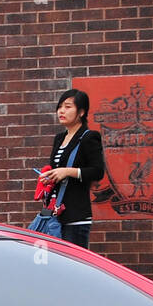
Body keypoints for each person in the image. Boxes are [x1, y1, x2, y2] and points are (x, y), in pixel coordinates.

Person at [38, 88, 105, 249]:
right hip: (55, 213)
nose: (62, 111)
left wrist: (67, 171)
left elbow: (98, 171)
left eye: (68, 107)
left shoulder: (89, 137)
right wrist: (50, 176)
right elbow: (57, 171)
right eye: (60, 107)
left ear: (81, 112)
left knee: (73, 266)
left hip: (76, 215)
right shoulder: (59, 138)